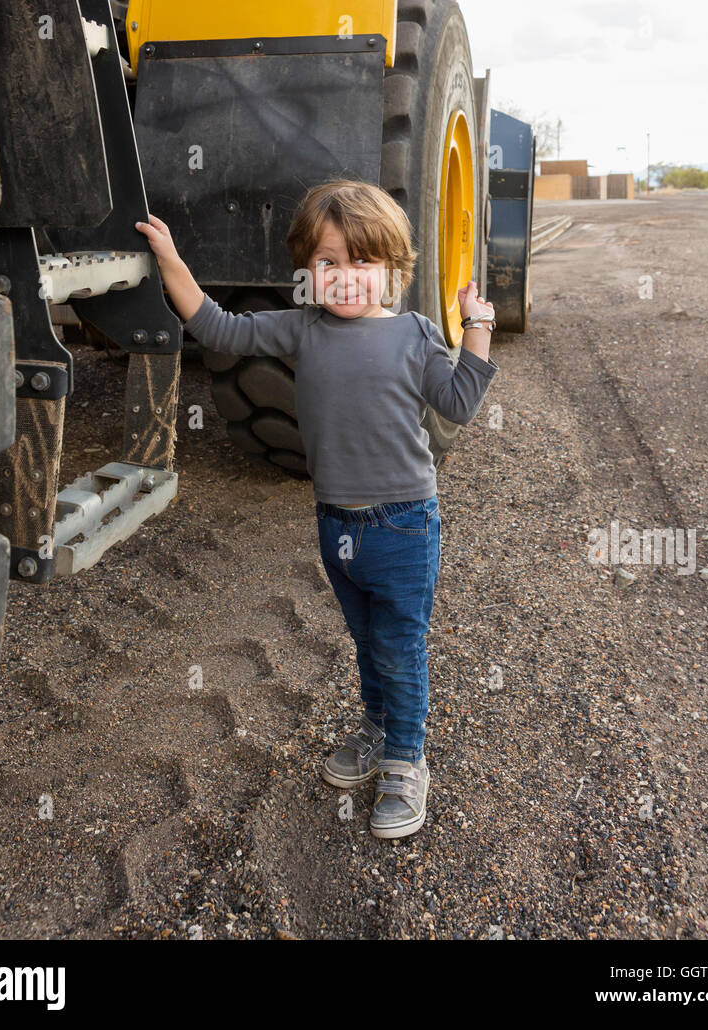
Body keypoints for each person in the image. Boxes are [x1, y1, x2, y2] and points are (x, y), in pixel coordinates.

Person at [135, 178, 498, 839]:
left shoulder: (414, 335)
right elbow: (217, 325)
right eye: (329, 263)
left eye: (363, 262)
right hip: (337, 525)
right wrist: (170, 258)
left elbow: (461, 404)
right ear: (307, 271)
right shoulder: (302, 330)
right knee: (367, 646)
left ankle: (405, 760)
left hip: (404, 524)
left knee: (400, 647)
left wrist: (478, 325)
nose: (347, 278)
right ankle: (374, 729)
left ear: (392, 268)